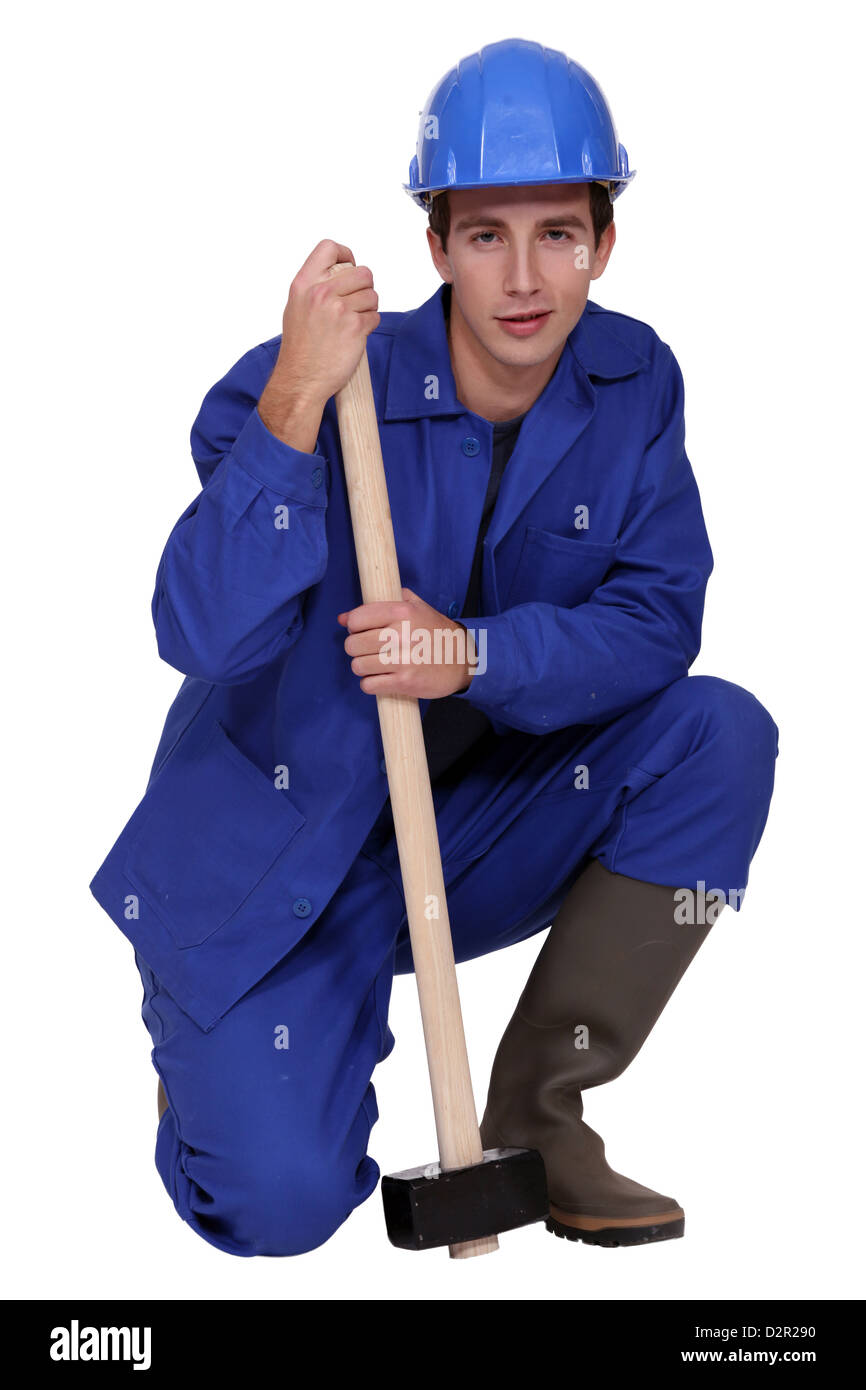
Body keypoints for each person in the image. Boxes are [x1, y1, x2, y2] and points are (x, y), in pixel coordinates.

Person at [90, 37, 778, 1256]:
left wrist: (470, 655)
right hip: (276, 865)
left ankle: (538, 1109)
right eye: (484, 236)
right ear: (435, 247)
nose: (521, 277)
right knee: (277, 1206)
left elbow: (655, 624)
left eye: (555, 233)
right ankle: (221, 1077)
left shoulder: (631, 383)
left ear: (603, 242)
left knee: (717, 736)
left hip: (463, 839)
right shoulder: (321, 383)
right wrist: (295, 396)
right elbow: (196, 629)